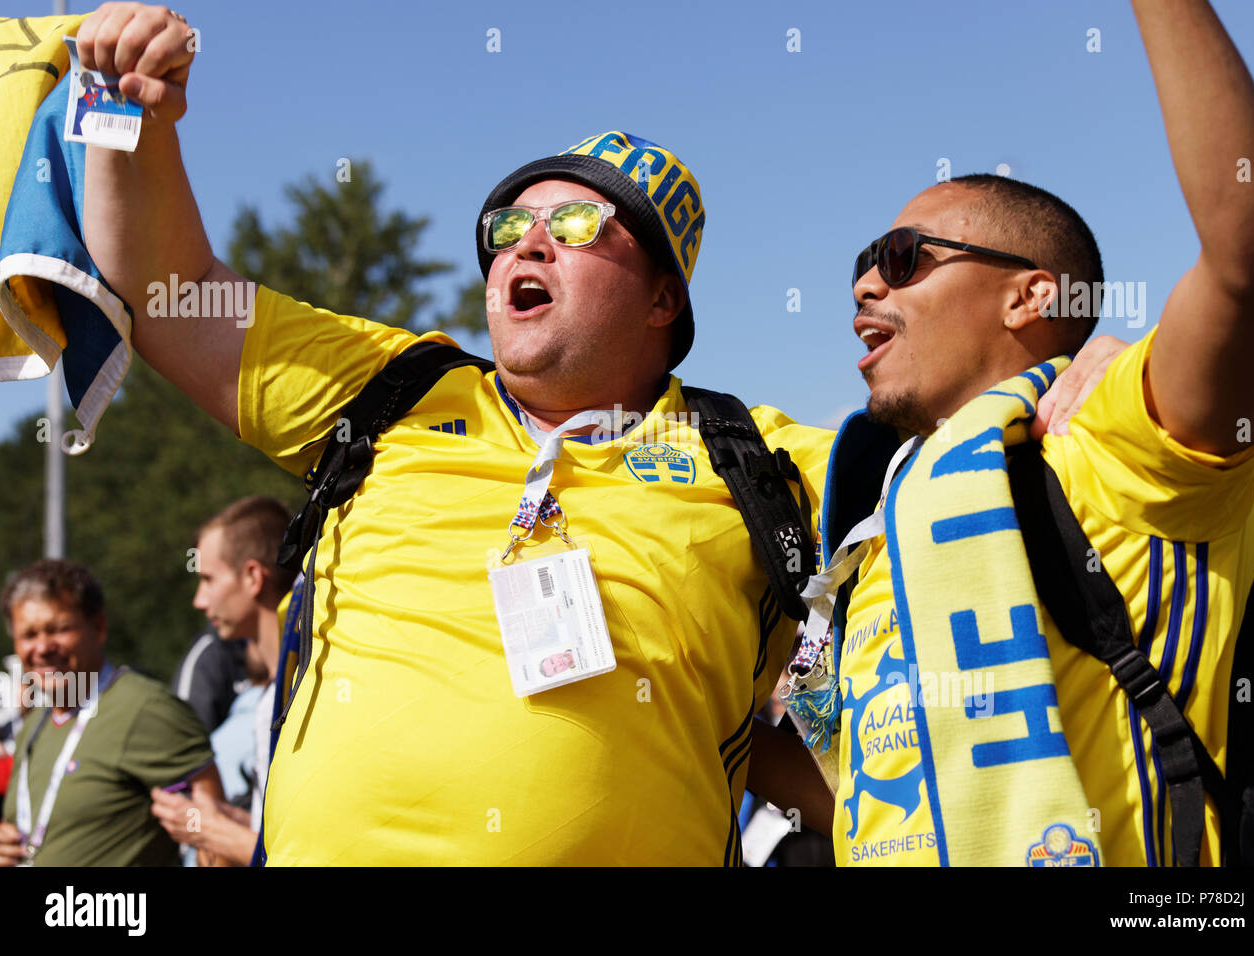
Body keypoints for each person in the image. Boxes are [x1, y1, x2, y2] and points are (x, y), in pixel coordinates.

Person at [71, 3, 1114, 865]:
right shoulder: (390, 386)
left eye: (576, 227)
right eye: (508, 227)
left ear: (664, 299)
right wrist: (133, 121)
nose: (526, 241)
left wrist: (1082, 354)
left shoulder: (760, 459)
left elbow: (958, 431)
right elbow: (168, 298)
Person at [769, 0, 1254, 867]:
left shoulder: (1111, 435)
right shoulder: (863, 507)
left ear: (1031, 297)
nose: (866, 283)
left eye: (902, 257)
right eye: (863, 263)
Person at [0, 559, 222, 866]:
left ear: (99, 627)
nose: (43, 647)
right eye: (29, 635)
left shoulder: (145, 709)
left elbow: (211, 822)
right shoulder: (35, 723)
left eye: (59, 629)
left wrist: (201, 832)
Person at [150, 496, 292, 867]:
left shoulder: (302, 694)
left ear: (253, 577)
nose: (199, 600)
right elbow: (286, 836)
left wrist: (209, 831)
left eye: (208, 580)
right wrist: (223, 818)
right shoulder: (276, 695)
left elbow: (306, 856)